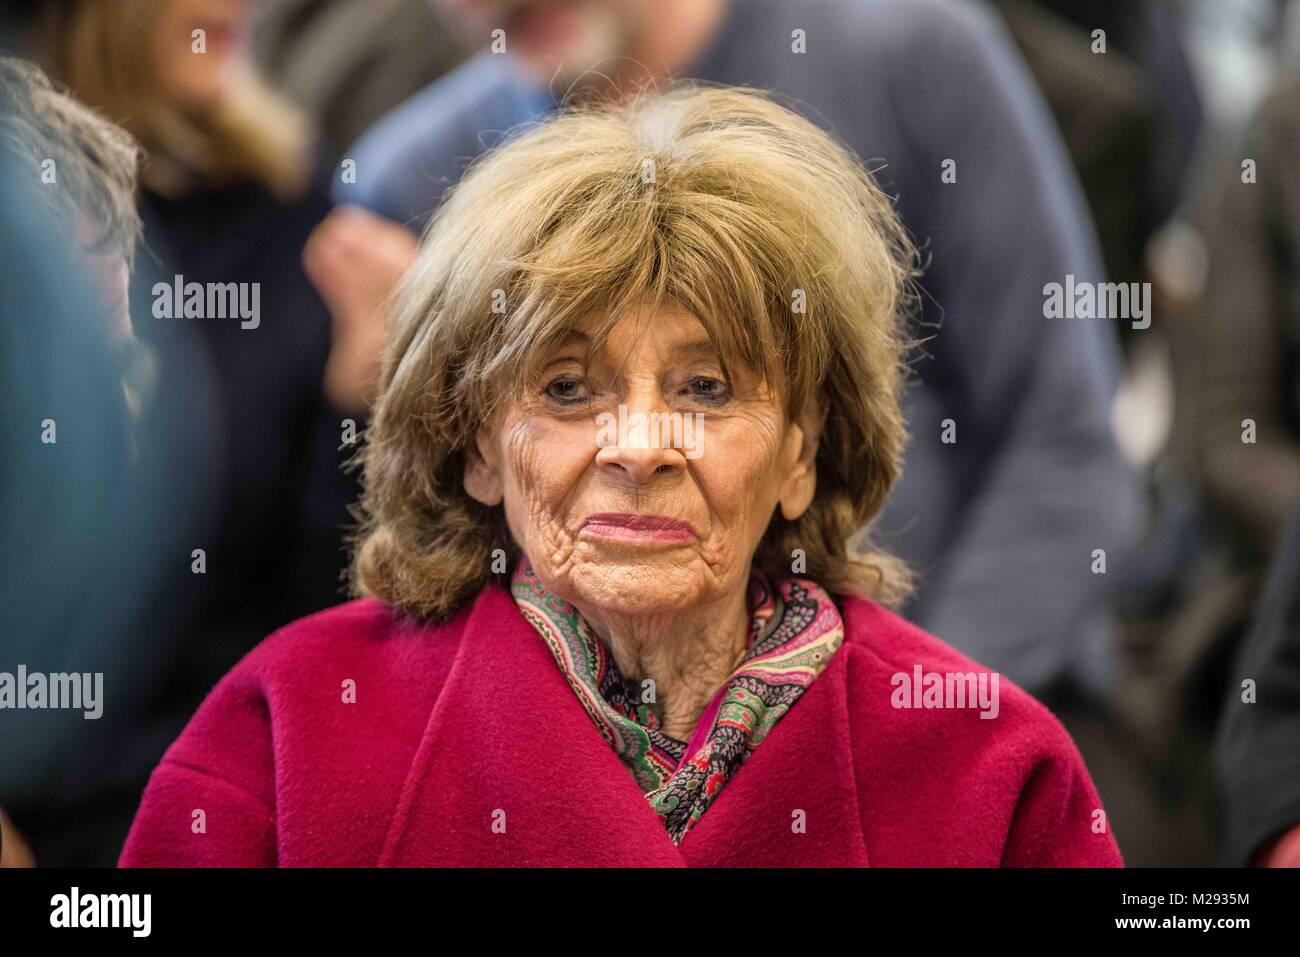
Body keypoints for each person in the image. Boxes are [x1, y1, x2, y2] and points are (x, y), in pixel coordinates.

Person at [120, 86, 1122, 866]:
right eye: (565, 389)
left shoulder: (987, 763)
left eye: (707, 387)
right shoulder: (294, 722)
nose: (639, 443)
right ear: (472, 446)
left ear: (802, 455)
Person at [324, 0, 1143, 703]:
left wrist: (923, 707)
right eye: (571, 385)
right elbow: (391, 540)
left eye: (708, 386)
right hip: (564, 743)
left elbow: (1064, 440)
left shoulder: (905, 52)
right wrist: (387, 390)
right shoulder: (414, 179)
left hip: (959, 677)